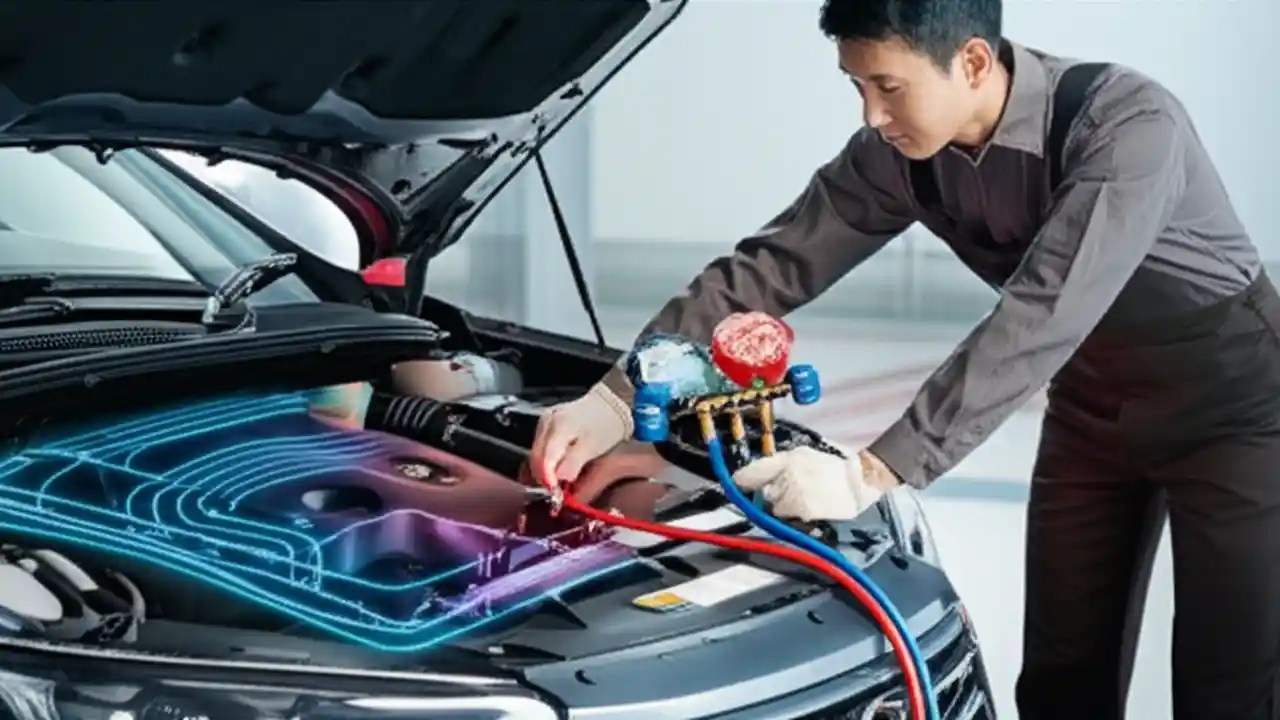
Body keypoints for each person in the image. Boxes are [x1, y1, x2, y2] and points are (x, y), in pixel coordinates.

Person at [528, 0, 1280, 718]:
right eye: (857, 86)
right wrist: (619, 396)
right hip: (1090, 403)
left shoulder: (1128, 127)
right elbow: (771, 266)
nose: (870, 115)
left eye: (888, 86)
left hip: (1234, 407)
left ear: (974, 62)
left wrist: (874, 470)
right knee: (1061, 680)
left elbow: (1043, 311)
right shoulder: (899, 155)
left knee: (1227, 687)